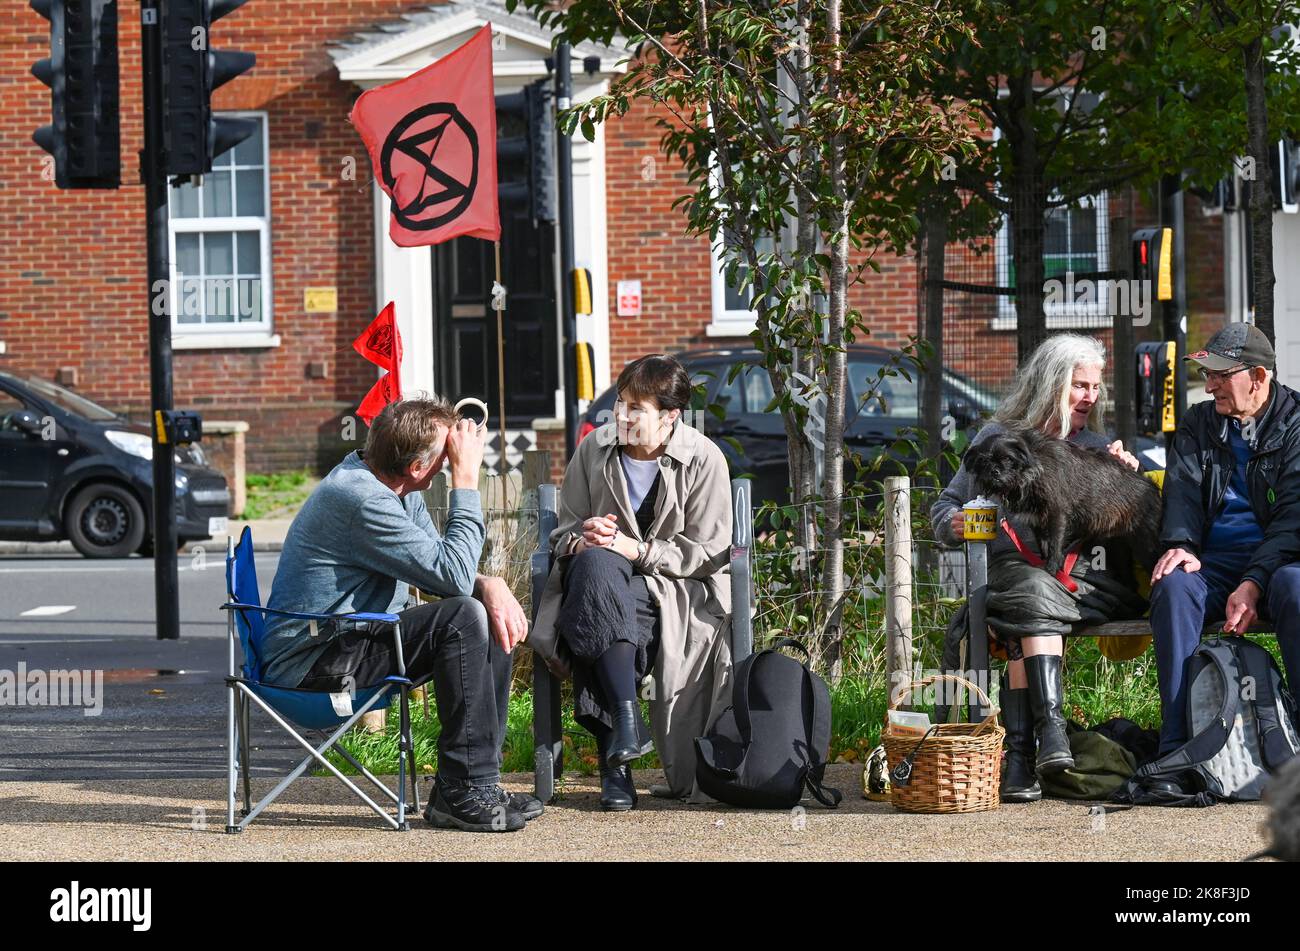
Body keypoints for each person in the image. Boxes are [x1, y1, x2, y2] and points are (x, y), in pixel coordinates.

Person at [259, 397, 542, 833]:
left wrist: (490, 585)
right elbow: (451, 576)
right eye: (444, 458)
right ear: (415, 467)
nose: (450, 463)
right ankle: (463, 790)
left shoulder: (393, 485)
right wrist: (466, 481)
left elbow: (439, 570)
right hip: (314, 663)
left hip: (352, 640)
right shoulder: (360, 499)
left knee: (486, 611)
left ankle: (475, 783)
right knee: (464, 617)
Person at [931, 334, 1147, 803]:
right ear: (1051, 384)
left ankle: (1023, 757)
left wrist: (1126, 477)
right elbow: (944, 508)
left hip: (1085, 581)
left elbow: (1135, 515)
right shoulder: (996, 440)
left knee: (1023, 609)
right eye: (1079, 385)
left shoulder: (1096, 448)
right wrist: (957, 522)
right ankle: (1050, 737)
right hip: (1017, 576)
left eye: (1095, 386)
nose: (1091, 396)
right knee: (1026, 591)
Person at [529, 354, 734, 810]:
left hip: (677, 590)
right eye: (620, 403)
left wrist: (639, 550)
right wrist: (582, 541)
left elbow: (708, 551)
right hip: (602, 581)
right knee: (596, 572)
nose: (620, 415)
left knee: (595, 609)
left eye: (636, 408)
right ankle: (627, 719)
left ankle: (615, 767)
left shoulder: (704, 459)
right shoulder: (594, 450)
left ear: (670, 416)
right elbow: (566, 529)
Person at [1149, 323, 1300, 762]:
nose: (1210, 383)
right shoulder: (1199, 422)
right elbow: (1180, 490)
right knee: (1174, 585)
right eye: (1206, 374)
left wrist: (1254, 581)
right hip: (1214, 564)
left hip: (1279, 564)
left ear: (1258, 377)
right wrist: (1182, 544)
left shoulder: (1295, 425)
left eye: (1220, 374)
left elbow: (1293, 520)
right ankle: (1177, 748)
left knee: (1297, 588)